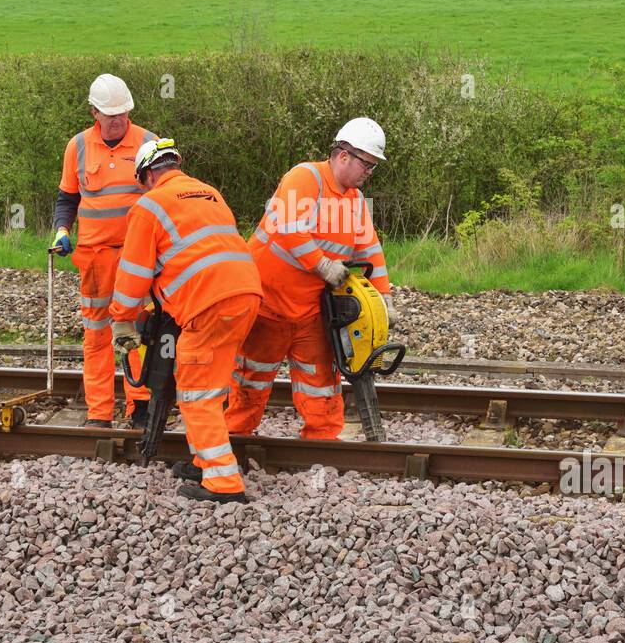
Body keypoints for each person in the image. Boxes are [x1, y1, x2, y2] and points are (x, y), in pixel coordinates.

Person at [109, 138, 263, 504]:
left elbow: (133, 273)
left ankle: (224, 483)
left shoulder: (150, 206)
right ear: (174, 166)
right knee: (213, 387)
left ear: (147, 175)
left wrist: (123, 321)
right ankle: (203, 461)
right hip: (247, 293)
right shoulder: (210, 194)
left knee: (196, 395)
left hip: (208, 304)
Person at [225, 118, 397, 440]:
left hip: (312, 310)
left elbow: (370, 248)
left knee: (321, 383)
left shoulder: (355, 201)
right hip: (268, 303)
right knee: (252, 380)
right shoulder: (305, 177)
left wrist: (384, 296)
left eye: (374, 167)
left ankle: (320, 447)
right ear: (343, 155)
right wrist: (323, 266)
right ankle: (234, 440)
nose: (369, 173)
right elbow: (290, 228)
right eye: (367, 165)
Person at [51, 73, 155, 429]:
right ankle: (98, 413)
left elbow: (164, 199)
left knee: (138, 330)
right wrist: (63, 230)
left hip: (138, 259)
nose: (119, 119)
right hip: (95, 259)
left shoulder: (149, 144)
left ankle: (140, 405)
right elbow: (68, 197)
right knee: (96, 334)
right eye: (111, 114)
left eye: (124, 113)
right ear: (94, 112)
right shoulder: (77, 147)